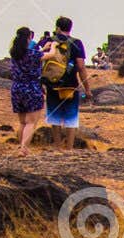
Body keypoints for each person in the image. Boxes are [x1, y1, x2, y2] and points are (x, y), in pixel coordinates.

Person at [39, 17, 92, 149]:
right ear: (70, 28)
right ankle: (69, 148)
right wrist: (87, 88)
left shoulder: (49, 41)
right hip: (70, 84)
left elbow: (39, 62)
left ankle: (57, 147)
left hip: (52, 83)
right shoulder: (77, 43)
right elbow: (81, 66)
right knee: (71, 117)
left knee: (54, 116)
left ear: (57, 28)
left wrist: (40, 83)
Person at [9, 26, 44, 155]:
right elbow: (49, 55)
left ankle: (21, 146)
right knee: (31, 122)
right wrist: (53, 46)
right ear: (29, 37)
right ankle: (23, 149)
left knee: (22, 122)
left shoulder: (14, 54)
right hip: (32, 88)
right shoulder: (32, 54)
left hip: (17, 88)